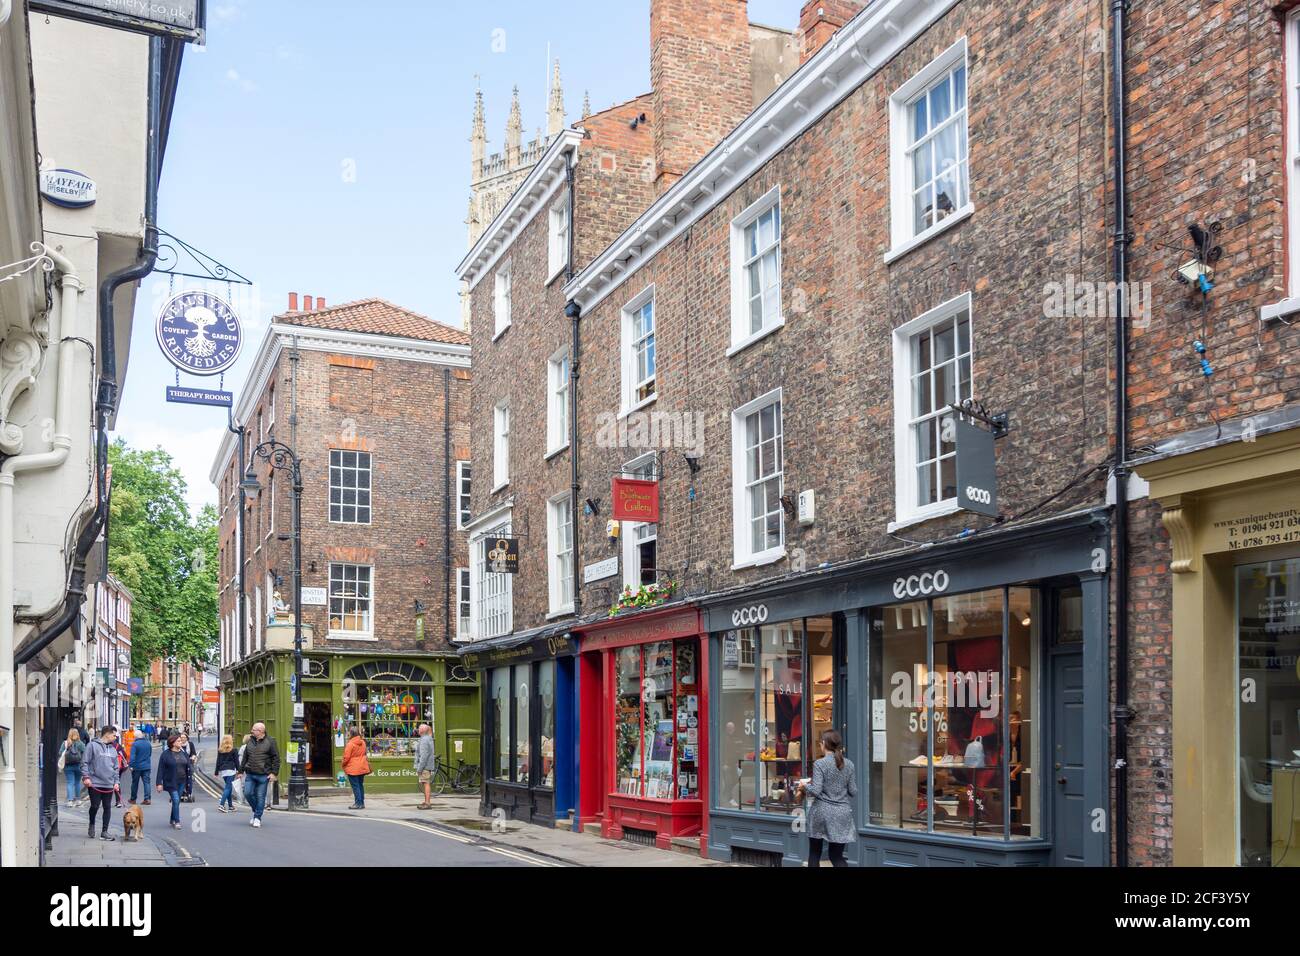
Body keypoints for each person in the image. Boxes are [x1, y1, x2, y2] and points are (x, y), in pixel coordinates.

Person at [796, 729, 857, 868]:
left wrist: (804, 786)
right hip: (842, 813)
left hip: (821, 813)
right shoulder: (849, 764)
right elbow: (853, 791)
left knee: (814, 854)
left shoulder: (820, 763)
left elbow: (816, 790)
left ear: (824, 744)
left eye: (820, 743)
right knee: (836, 856)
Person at [82, 726, 121, 841]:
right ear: (107, 734)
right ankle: (92, 824)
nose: (115, 737)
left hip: (109, 783)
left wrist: (116, 782)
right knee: (94, 806)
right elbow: (84, 762)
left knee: (107, 807)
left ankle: (105, 831)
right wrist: (86, 777)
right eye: (114, 735)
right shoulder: (92, 746)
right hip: (95, 782)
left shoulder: (113, 749)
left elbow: (116, 768)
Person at [238, 722, 280, 828]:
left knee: (260, 796)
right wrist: (240, 771)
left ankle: (257, 818)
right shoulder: (250, 741)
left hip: (263, 775)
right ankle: (257, 811)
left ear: (261, 731)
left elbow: (276, 759)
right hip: (250, 774)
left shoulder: (270, 741)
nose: (252, 731)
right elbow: (245, 758)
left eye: (254, 730)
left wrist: (274, 773)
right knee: (247, 793)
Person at [155, 733, 190, 830]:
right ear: (173, 743)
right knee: (176, 799)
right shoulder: (165, 754)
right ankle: (177, 821)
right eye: (178, 741)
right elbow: (160, 769)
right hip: (171, 781)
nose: (181, 742)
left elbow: (188, 767)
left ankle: (172, 819)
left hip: (182, 781)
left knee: (177, 801)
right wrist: (159, 783)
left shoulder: (184, 753)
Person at [342, 726, 371, 810]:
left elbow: (346, 758)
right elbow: (365, 753)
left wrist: (343, 764)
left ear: (351, 734)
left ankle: (358, 803)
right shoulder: (363, 742)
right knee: (360, 785)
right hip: (362, 766)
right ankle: (361, 803)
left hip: (353, 768)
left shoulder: (350, 744)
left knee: (355, 786)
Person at [59, 728, 85, 807]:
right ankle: (78, 800)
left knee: (70, 783)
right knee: (77, 783)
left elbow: (60, 752)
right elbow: (85, 752)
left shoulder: (66, 743)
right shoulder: (80, 743)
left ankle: (70, 801)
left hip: (68, 766)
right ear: (77, 734)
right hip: (78, 766)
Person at [215, 735, 239, 812]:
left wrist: (216, 772)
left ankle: (230, 806)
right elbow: (236, 762)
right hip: (231, 770)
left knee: (228, 787)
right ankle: (221, 805)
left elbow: (218, 761)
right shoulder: (234, 750)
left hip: (223, 771)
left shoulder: (220, 750)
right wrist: (240, 771)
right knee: (228, 788)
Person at [414, 723, 435, 810]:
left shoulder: (424, 740)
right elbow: (429, 731)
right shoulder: (428, 738)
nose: (418, 730)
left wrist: (420, 768)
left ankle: (427, 803)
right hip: (427, 765)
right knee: (425, 783)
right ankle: (426, 801)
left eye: (419, 728)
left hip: (425, 766)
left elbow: (423, 755)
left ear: (422, 731)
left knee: (426, 783)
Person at [128, 729, 153, 804]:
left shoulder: (135, 744)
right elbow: (150, 754)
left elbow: (132, 756)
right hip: (146, 766)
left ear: (135, 737)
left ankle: (133, 799)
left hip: (137, 766)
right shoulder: (148, 743)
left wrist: (131, 765)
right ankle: (147, 799)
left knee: (135, 783)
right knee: (147, 783)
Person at [177, 731, 198, 802]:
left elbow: (194, 753)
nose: (183, 739)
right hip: (180, 765)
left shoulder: (190, 744)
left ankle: (189, 793)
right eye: (181, 737)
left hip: (189, 763)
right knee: (180, 779)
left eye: (184, 737)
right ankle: (181, 792)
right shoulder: (178, 744)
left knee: (189, 779)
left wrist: (193, 757)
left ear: (187, 738)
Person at [112, 735, 129, 808]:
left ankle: (105, 800)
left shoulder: (105, 745)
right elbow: (124, 755)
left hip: (108, 767)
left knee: (107, 783)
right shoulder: (118, 746)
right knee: (116, 782)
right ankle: (118, 801)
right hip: (118, 767)